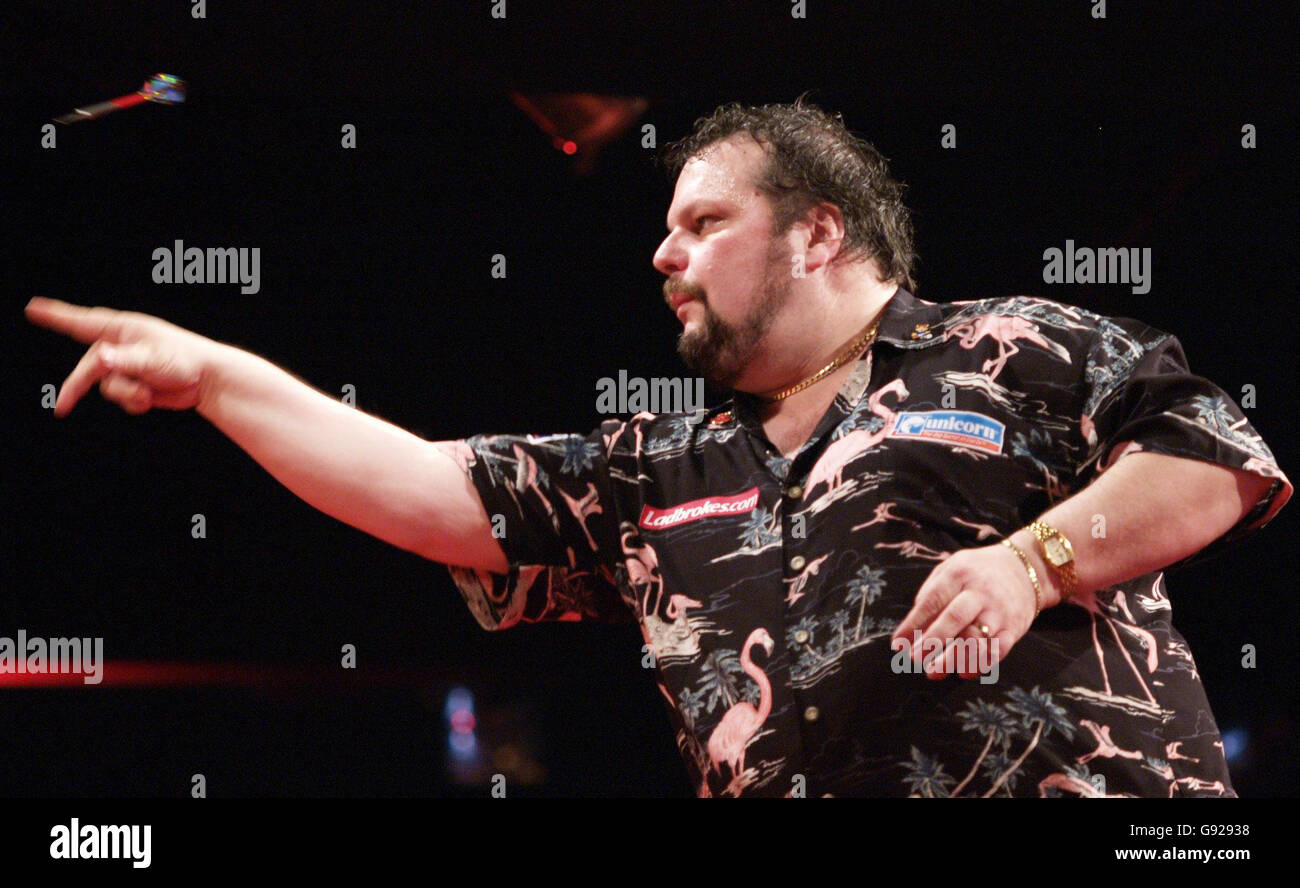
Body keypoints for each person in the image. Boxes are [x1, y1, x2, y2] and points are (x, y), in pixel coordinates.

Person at [26, 100, 1291, 798]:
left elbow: (1214, 463)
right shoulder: (656, 462)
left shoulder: (1016, 341)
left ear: (815, 233)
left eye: (701, 222)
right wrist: (215, 378)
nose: (661, 256)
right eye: (662, 229)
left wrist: (1033, 562)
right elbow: (425, 489)